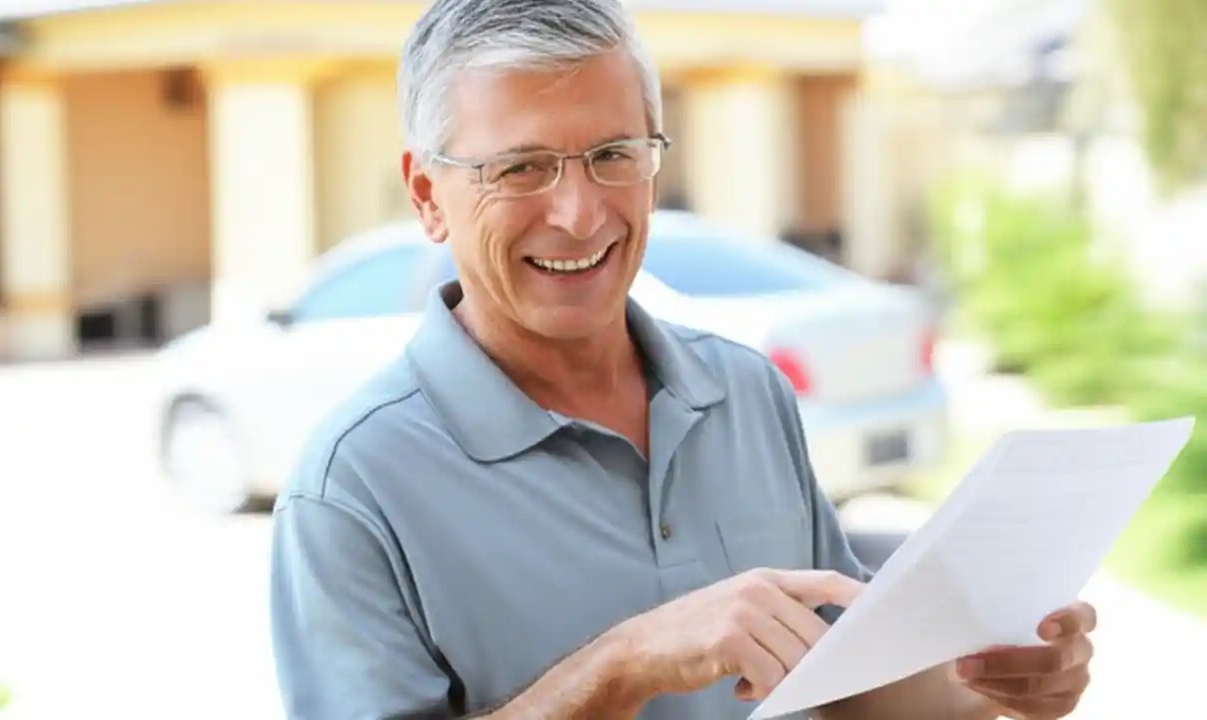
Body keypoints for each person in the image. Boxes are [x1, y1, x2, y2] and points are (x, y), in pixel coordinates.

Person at [270, 1, 1096, 718]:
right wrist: (623, 665)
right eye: (520, 168)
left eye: (613, 154)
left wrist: (992, 684)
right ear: (426, 196)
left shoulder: (746, 392)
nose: (580, 211)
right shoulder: (350, 489)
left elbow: (844, 691)